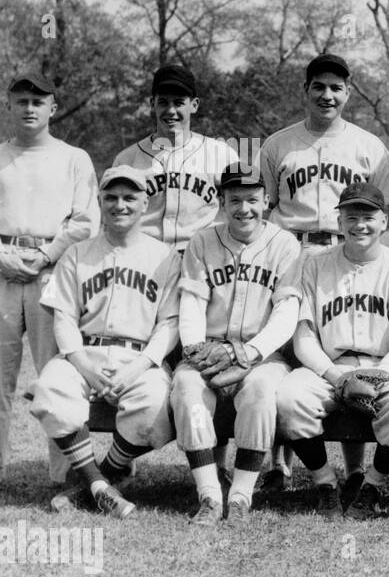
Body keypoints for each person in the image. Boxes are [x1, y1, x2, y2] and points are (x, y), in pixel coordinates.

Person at [259, 53, 389, 495]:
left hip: (345, 245)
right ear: (306, 90)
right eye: (318, 86)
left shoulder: (369, 146)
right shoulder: (279, 144)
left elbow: (385, 208)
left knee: (343, 337)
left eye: (336, 87)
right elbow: (265, 205)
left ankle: (355, 468)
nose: (327, 95)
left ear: (348, 91)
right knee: (286, 351)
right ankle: (279, 463)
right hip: (291, 249)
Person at [31, 166, 180, 516]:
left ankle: (99, 480)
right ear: (99, 201)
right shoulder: (77, 253)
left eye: (130, 197)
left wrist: (139, 368)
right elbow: (63, 316)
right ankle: (100, 485)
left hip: (139, 358)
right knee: (51, 389)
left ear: (146, 203)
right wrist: (82, 364)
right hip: (85, 352)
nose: (120, 205)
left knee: (155, 405)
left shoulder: (166, 256)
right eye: (111, 197)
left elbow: (170, 323)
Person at [274, 181, 389, 519]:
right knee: (289, 398)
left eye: (368, 216)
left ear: (384, 221)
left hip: (383, 368)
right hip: (327, 367)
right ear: (338, 222)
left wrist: (377, 377)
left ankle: (370, 486)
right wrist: (338, 378)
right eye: (351, 216)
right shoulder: (314, 265)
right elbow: (304, 338)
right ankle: (325, 483)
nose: (359, 225)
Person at [170, 166, 303, 525]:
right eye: (235, 201)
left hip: (262, 353)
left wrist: (246, 352)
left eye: (253, 200)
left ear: (267, 201)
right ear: (221, 202)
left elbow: (287, 312)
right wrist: (196, 350)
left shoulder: (285, 244)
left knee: (260, 392)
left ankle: (242, 495)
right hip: (209, 348)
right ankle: (210, 495)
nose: (245, 209)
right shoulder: (202, 241)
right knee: (186, 389)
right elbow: (193, 302)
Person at [0, 72, 99, 487]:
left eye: (37, 102)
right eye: (21, 101)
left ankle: (67, 475)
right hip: (2, 269)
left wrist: (45, 254)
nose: (29, 108)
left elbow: (85, 221)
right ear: (9, 106)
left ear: (53, 108)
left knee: (56, 376)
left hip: (50, 274)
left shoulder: (73, 157)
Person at [108, 65, 240, 254]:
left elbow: (241, 207)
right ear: (152, 103)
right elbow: (112, 219)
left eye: (178, 103)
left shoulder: (221, 154)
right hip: (144, 258)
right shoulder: (127, 159)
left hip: (203, 257)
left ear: (194, 105)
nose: (170, 111)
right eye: (163, 102)